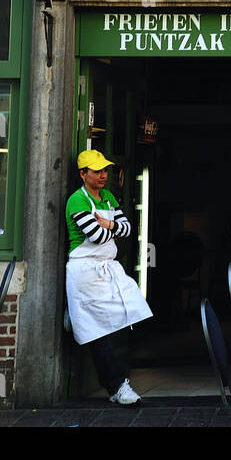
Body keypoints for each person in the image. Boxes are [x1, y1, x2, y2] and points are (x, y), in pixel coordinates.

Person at [65, 149, 152, 405]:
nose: (103, 175)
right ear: (83, 174)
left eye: (104, 170)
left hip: (107, 269)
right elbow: (96, 236)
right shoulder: (76, 201)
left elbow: (126, 228)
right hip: (85, 274)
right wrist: (109, 228)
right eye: (97, 171)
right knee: (97, 332)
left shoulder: (109, 197)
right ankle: (116, 386)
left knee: (132, 306)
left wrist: (109, 224)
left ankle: (73, 314)